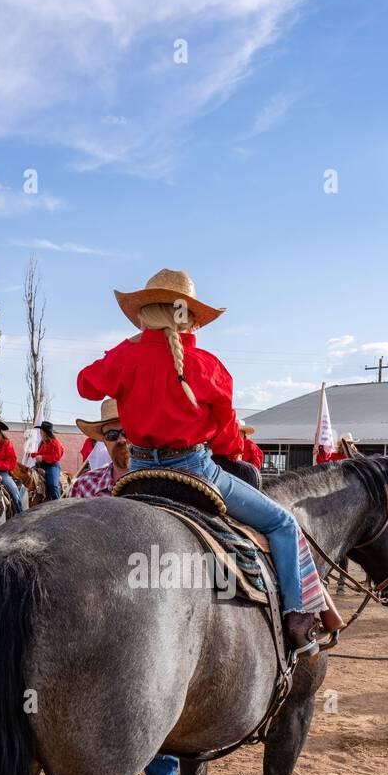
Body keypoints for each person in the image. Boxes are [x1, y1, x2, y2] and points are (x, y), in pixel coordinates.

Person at [77, 268, 336, 658]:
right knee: (282, 522)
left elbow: (85, 384)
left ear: (144, 314)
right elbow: (226, 433)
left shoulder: (126, 357)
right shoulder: (205, 364)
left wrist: (124, 348)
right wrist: (229, 447)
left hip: (138, 472)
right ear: (190, 317)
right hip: (195, 470)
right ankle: (298, 619)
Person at [72, 398, 180, 775]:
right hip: (94, 618)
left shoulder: (167, 487)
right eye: (112, 435)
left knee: (162, 726)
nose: (121, 442)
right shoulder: (86, 488)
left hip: (151, 622)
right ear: (104, 442)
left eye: (128, 431)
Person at [29, 421, 64, 499]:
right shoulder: (42, 443)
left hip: (52, 466)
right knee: (28, 475)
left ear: (45, 432)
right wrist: (32, 454)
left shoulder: (55, 443)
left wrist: (43, 458)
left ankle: (58, 503)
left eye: (41, 431)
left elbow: (57, 457)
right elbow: (40, 453)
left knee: (53, 485)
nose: (40, 432)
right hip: (41, 466)